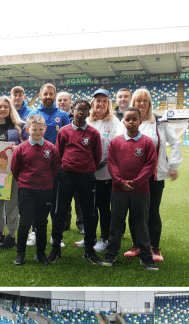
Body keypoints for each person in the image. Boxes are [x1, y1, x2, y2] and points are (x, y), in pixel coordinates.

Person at [115, 88, 181, 262]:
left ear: (150, 103)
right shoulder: (127, 121)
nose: (141, 104)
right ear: (133, 104)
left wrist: (173, 165)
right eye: (138, 101)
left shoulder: (160, 122)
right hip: (133, 177)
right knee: (134, 211)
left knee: (152, 211)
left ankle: (155, 248)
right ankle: (137, 245)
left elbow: (175, 142)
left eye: (145, 101)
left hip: (154, 176)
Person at [101, 107, 158, 269]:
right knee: (116, 224)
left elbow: (150, 165)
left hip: (140, 191)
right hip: (119, 190)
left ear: (141, 121)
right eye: (128, 119)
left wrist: (135, 182)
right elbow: (111, 163)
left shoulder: (147, 142)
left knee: (141, 225)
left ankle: (146, 257)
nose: (131, 122)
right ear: (123, 122)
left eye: (134, 119)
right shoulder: (116, 142)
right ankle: (111, 254)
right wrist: (120, 181)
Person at [47, 99, 102, 264]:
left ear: (88, 112)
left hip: (86, 177)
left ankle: (89, 251)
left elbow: (97, 156)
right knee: (60, 212)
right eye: (79, 109)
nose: (81, 113)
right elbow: (59, 154)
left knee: (89, 214)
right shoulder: (64, 131)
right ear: (73, 110)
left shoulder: (93, 133)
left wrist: (88, 168)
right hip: (66, 176)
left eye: (85, 110)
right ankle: (56, 249)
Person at [10, 115, 60, 265]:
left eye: (40, 129)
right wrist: (26, 181)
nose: (37, 132)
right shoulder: (21, 149)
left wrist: (45, 180)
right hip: (26, 190)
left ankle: (41, 253)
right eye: (34, 129)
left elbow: (55, 168)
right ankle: (20, 254)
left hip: (45, 190)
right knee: (24, 222)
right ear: (27, 130)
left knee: (42, 223)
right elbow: (15, 169)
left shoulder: (51, 148)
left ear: (45, 129)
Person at [0, 96, 27, 250]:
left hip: (12, 171)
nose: (2, 109)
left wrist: (20, 148)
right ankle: (0, 232)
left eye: (5, 107)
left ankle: (12, 235)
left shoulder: (19, 126)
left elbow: (29, 144)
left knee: (11, 206)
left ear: (10, 109)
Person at [85, 88, 122, 253]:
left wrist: (102, 162)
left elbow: (116, 146)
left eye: (104, 101)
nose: (100, 104)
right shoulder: (87, 121)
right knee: (89, 207)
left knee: (103, 207)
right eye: (97, 101)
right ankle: (90, 236)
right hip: (87, 172)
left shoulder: (114, 122)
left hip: (105, 172)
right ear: (93, 103)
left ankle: (104, 238)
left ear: (109, 104)